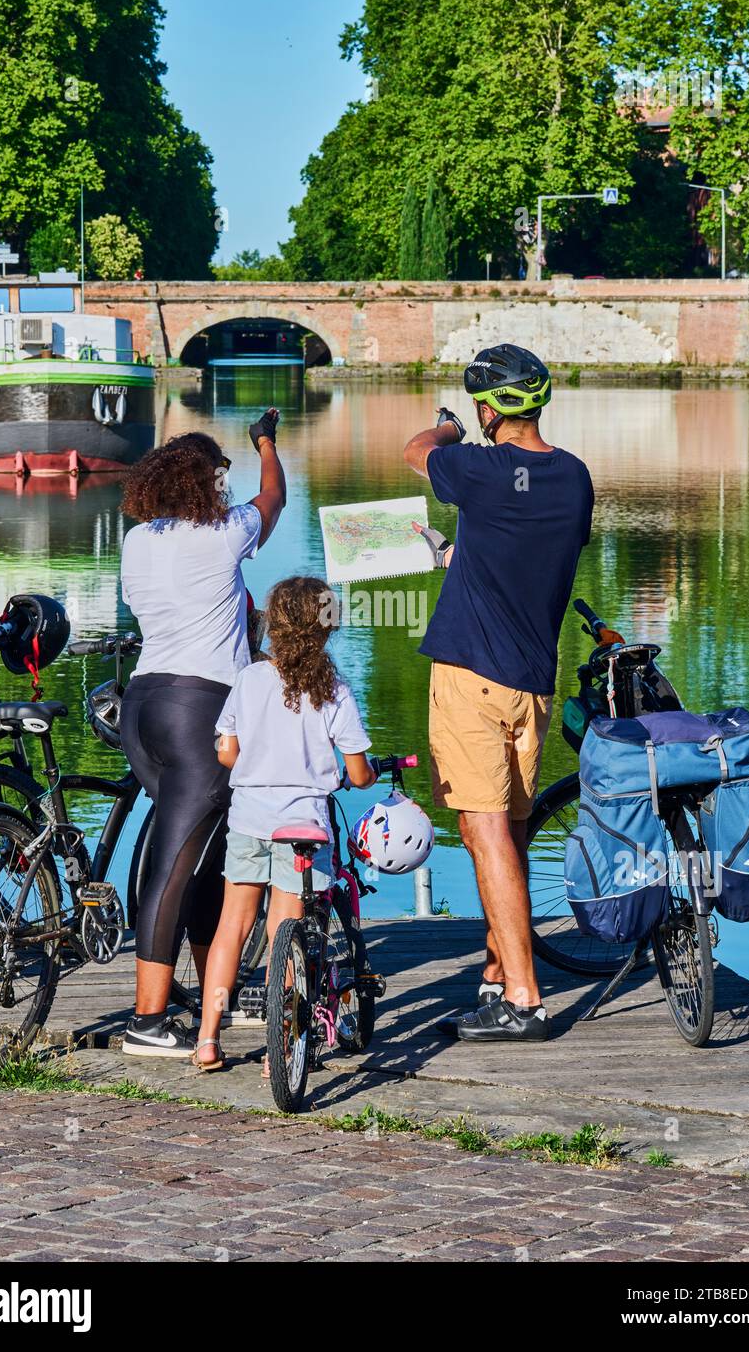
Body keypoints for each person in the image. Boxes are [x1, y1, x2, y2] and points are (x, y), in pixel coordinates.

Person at [404, 344, 594, 1043]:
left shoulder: (475, 465)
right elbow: (526, 549)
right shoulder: (574, 477)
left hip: (470, 676)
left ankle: (523, 999)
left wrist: (448, 429)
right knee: (507, 829)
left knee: (483, 833)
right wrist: (456, 555)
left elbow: (414, 450)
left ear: (490, 409)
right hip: (532, 684)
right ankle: (495, 973)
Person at [119, 415, 285, 1057]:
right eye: (222, 477)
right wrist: (267, 445)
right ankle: (147, 1020)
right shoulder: (223, 532)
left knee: (204, 852)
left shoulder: (139, 540)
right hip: (199, 708)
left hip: (144, 705)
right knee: (173, 863)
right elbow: (273, 500)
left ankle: (219, 987)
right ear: (209, 481)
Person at [192, 576, 377, 1072]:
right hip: (304, 828)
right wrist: (363, 772)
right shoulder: (334, 689)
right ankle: (284, 1047)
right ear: (327, 628)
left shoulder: (250, 679)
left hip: (250, 817)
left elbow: (227, 752)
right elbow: (357, 773)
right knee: (285, 932)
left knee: (232, 923)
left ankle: (207, 1038)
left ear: (273, 625)